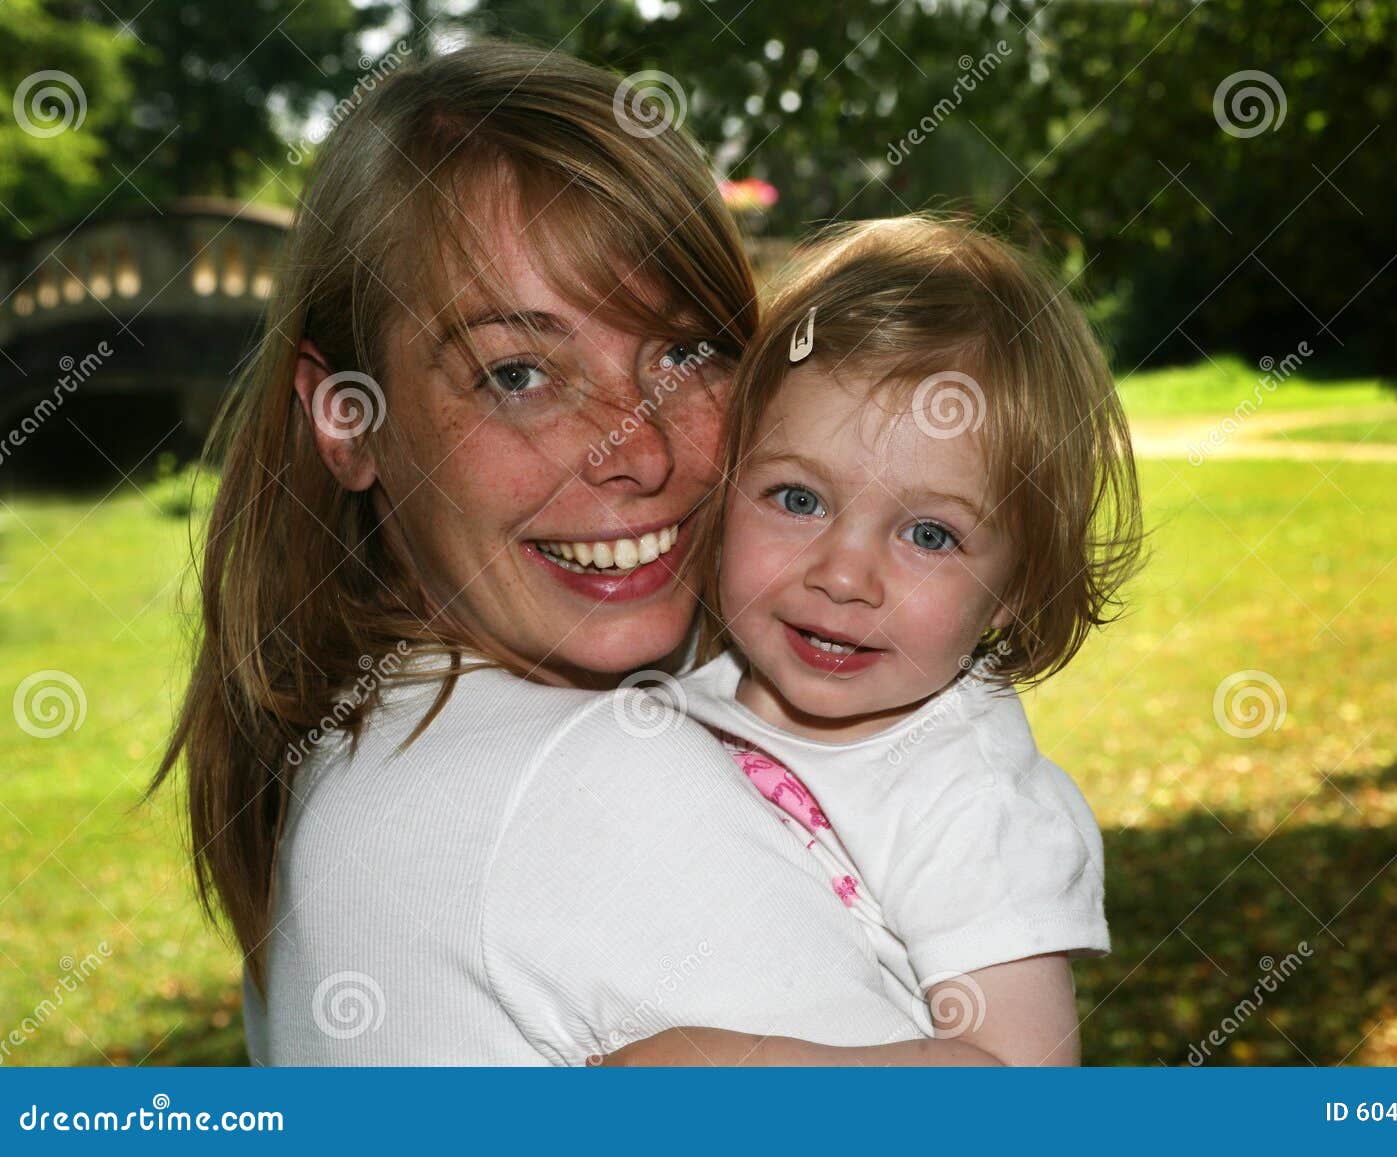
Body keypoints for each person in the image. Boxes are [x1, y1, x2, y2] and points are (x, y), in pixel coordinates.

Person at [152, 42, 922, 1064]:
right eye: (516, 373)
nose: (637, 450)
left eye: (684, 352)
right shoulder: (589, 785)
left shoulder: (354, 740)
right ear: (346, 420)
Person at [604, 217, 1142, 1065]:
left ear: (1016, 588)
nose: (845, 575)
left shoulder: (971, 801)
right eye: (797, 499)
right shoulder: (684, 668)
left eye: (929, 535)